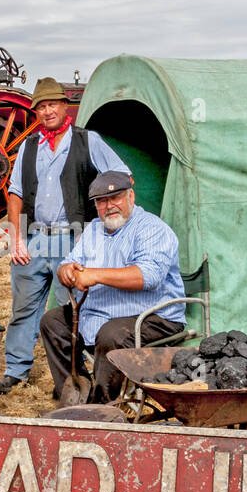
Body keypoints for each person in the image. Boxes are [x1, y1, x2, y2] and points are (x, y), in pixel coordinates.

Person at [0, 77, 130, 396]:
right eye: (41, 106)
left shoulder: (87, 141)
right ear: (35, 111)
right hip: (33, 237)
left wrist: (103, 224)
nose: (47, 110)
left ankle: (76, 371)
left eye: (52, 104)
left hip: (74, 239)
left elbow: (120, 177)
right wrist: (15, 237)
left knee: (74, 309)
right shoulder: (28, 146)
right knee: (24, 306)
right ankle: (16, 370)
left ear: (65, 106)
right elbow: (15, 192)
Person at [39, 171, 186, 404]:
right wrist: (65, 270)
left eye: (115, 198)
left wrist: (94, 275)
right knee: (52, 321)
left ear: (131, 196)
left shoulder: (151, 228)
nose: (109, 206)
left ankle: (103, 405)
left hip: (153, 316)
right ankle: (78, 397)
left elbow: (148, 276)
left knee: (112, 334)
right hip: (99, 312)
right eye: (101, 201)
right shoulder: (94, 229)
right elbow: (70, 263)